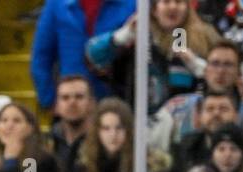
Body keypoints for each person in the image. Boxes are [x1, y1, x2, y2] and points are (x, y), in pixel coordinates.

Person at [86, 0, 220, 114]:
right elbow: (93, 55)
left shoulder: (204, 38)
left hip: (184, 123)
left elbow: (222, 76)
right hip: (138, 120)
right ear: (155, 9)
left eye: (179, 1)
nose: (173, 7)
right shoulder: (139, 36)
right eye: (166, 1)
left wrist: (195, 63)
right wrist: (123, 36)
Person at [30, 0, 135, 109]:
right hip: (71, 101)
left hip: (115, 103)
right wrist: (50, 101)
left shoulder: (131, 4)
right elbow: (41, 57)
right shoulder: (57, 4)